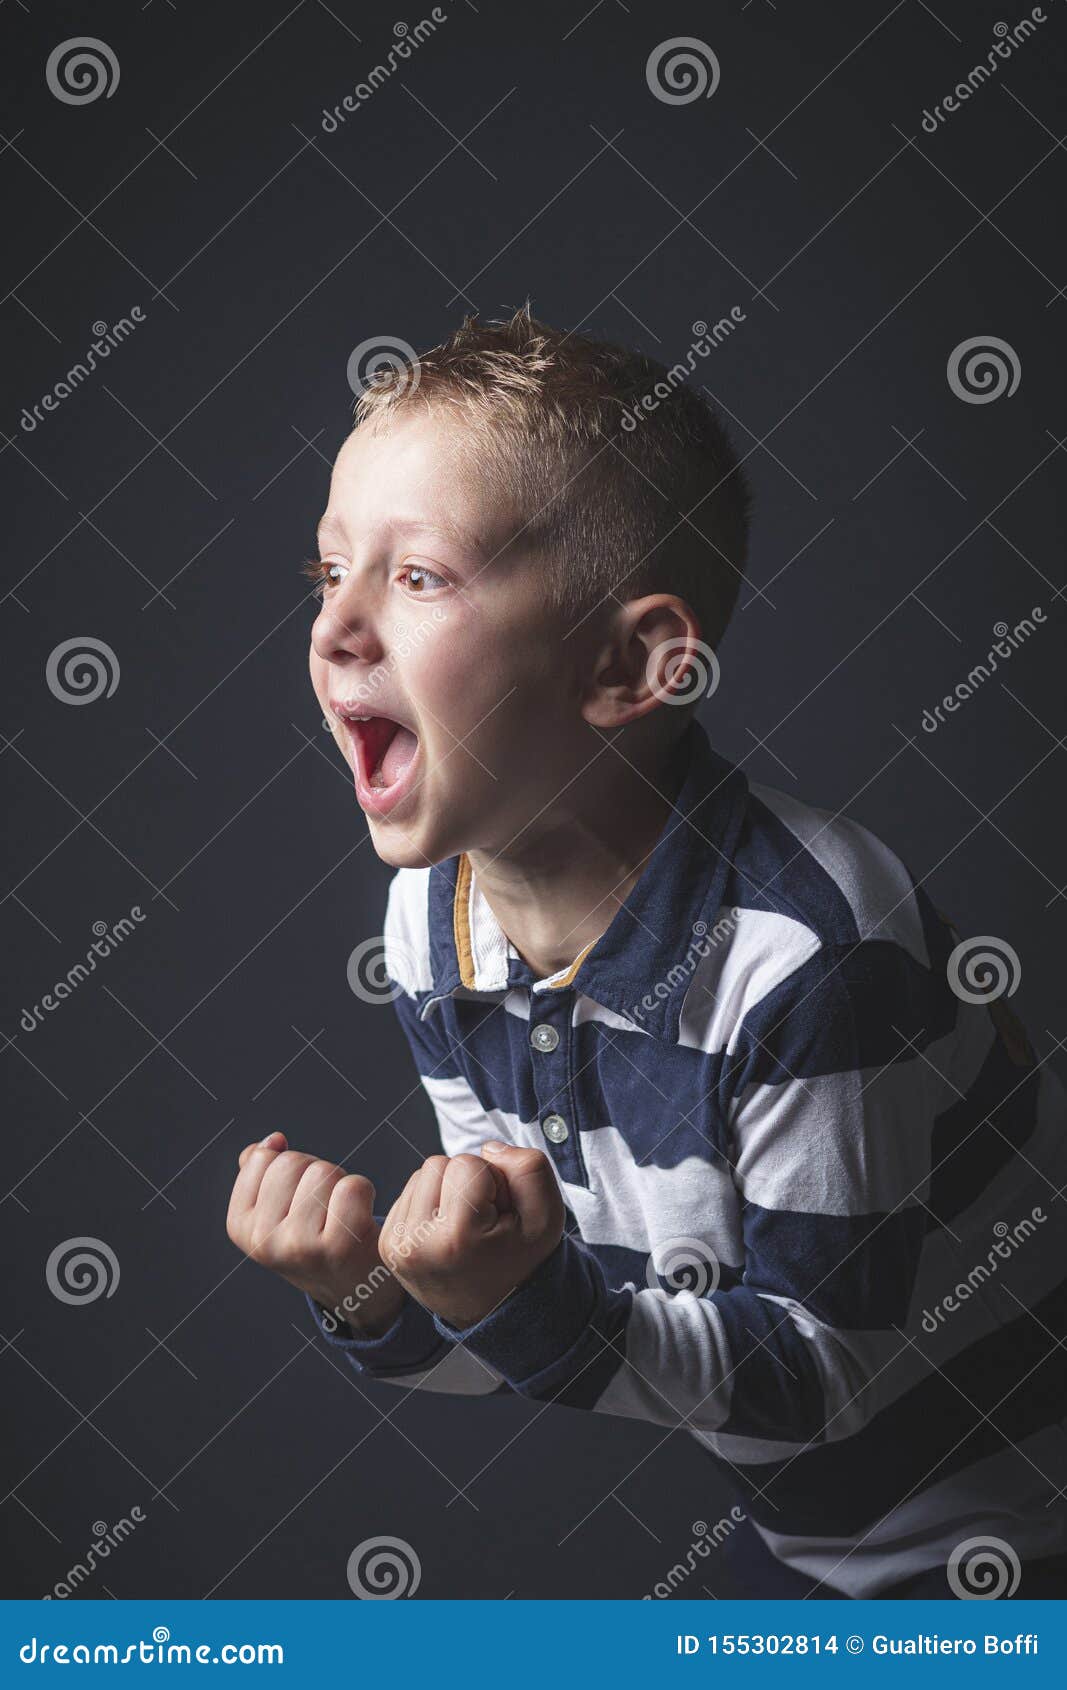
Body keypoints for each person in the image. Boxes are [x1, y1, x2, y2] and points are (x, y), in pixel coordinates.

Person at [226, 306, 1067, 1599]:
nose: (338, 625)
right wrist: (370, 1293)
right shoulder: (430, 928)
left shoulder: (813, 956)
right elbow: (527, 1308)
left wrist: (516, 1295)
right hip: (817, 1545)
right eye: (326, 571)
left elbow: (818, 1375)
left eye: (420, 574)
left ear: (629, 664)